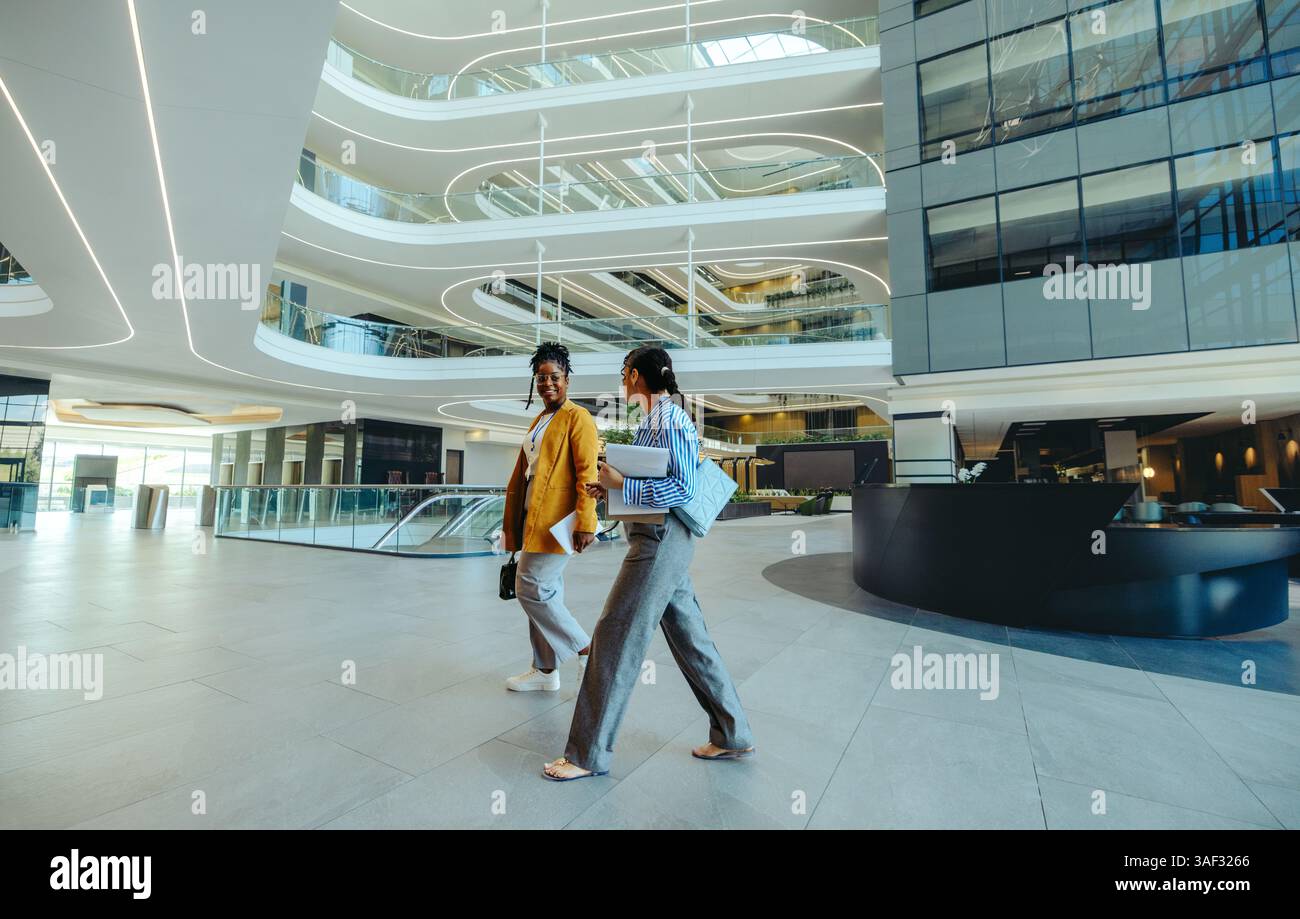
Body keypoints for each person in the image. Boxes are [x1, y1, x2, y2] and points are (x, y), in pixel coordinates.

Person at [542, 346, 754, 780]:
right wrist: (611, 489)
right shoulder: (655, 419)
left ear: (636, 376)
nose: (622, 381)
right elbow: (651, 477)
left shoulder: (671, 418)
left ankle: (586, 754)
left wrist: (623, 484)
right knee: (692, 639)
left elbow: (681, 486)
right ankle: (732, 733)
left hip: (659, 543)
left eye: (624, 373)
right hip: (658, 540)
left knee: (616, 637)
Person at [501, 342, 599, 692]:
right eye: (541, 378)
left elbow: (588, 473)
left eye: (554, 376)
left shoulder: (578, 417)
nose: (547, 384)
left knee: (531, 587)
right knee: (544, 590)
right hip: (533, 516)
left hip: (557, 521)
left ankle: (587, 648)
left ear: (567, 379)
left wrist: (586, 522)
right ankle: (545, 671)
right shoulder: (541, 417)